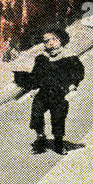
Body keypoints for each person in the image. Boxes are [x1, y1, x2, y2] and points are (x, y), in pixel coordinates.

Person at [14, 26, 85, 154]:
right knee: (36, 113)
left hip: (59, 94)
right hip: (44, 93)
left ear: (60, 40)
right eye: (46, 41)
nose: (50, 43)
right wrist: (24, 82)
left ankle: (58, 143)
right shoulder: (42, 58)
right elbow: (35, 76)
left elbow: (77, 73)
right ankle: (40, 137)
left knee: (58, 118)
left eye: (53, 39)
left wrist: (72, 87)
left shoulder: (69, 57)